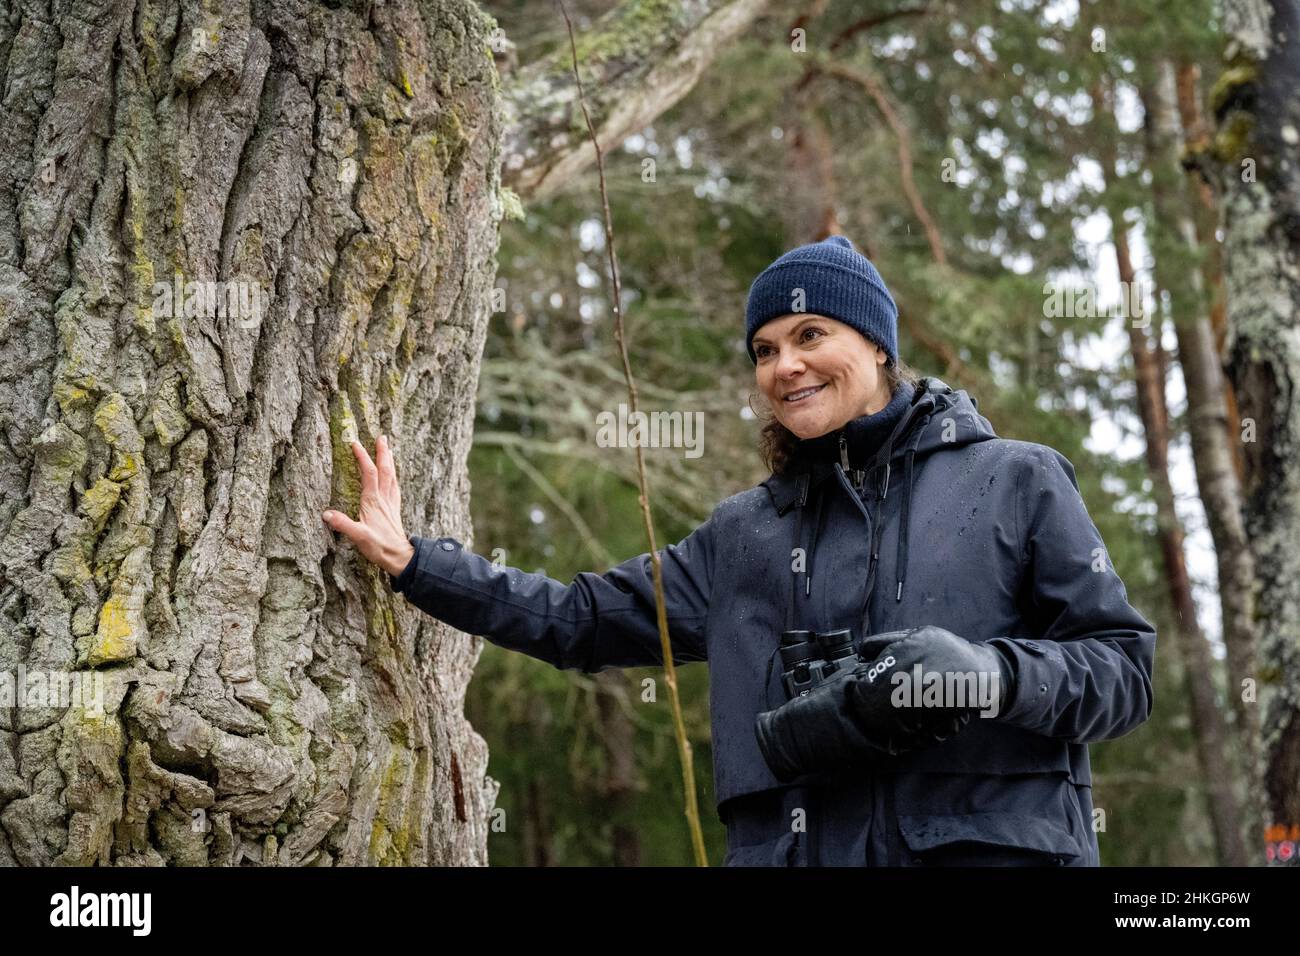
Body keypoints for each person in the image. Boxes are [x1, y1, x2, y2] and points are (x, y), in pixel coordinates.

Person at [321, 234, 1156, 866]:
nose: (784, 365)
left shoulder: (1016, 481)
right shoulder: (742, 534)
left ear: (876, 346)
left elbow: (1124, 672)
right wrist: (415, 563)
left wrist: (991, 675)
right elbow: (576, 618)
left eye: (810, 334)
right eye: (765, 350)